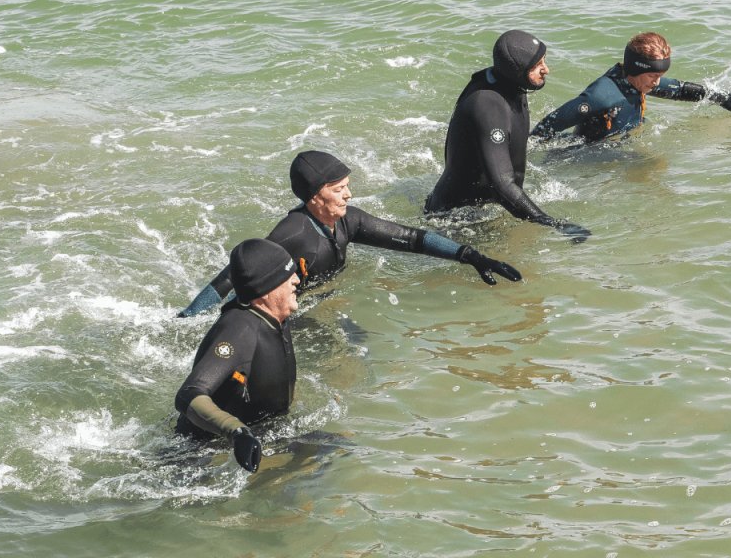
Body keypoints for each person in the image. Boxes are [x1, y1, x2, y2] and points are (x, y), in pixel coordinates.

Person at [178, 150, 521, 317]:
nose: (349, 195)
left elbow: (411, 238)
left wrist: (468, 255)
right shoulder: (291, 233)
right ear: (315, 195)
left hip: (322, 298)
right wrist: (188, 320)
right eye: (339, 189)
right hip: (288, 311)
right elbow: (231, 278)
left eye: (348, 187)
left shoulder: (348, 221)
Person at [424, 29, 591, 242]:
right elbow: (502, 184)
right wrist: (553, 223)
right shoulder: (487, 105)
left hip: (488, 207)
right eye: (537, 65)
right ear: (517, 70)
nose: (546, 70)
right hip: (454, 221)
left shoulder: (512, 83)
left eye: (544, 61)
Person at [174, 238, 304, 472]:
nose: (297, 280)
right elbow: (189, 394)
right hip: (202, 459)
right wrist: (237, 432)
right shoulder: (240, 329)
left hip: (266, 436)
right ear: (265, 289)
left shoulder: (277, 317)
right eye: (287, 276)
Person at [531, 32, 731, 143]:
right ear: (636, 69)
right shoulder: (601, 96)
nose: (658, 83)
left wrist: (719, 97)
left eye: (661, 75)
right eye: (653, 76)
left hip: (621, 140)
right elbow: (546, 127)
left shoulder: (638, 81)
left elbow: (678, 90)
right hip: (591, 153)